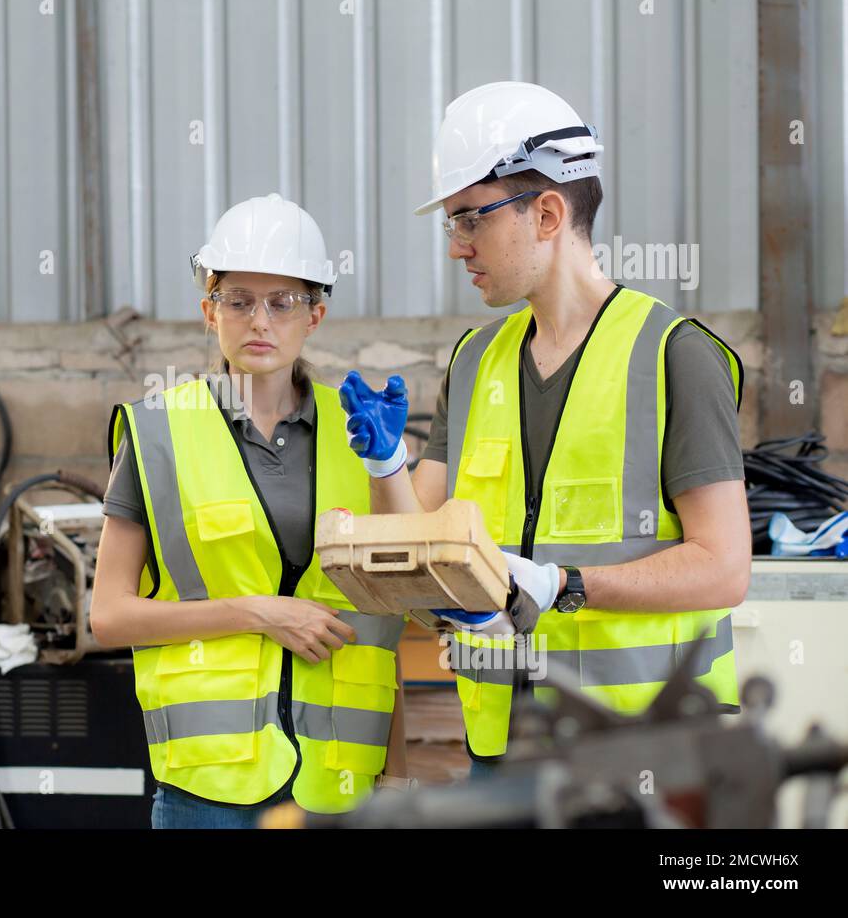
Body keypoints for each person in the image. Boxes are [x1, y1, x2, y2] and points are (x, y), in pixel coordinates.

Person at [341, 82, 750, 777]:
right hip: (505, 752)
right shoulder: (474, 363)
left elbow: (723, 567)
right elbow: (422, 550)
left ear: (548, 213)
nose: (457, 248)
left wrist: (560, 583)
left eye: (470, 219)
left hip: (643, 751)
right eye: (452, 224)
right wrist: (387, 471)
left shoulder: (674, 355)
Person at [91, 193, 409, 828]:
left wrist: (398, 776)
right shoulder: (158, 433)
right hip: (207, 794)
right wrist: (260, 614)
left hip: (343, 784)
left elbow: (387, 621)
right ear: (210, 310)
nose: (259, 321)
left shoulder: (362, 435)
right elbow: (109, 616)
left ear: (314, 315)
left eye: (282, 302)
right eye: (239, 300)